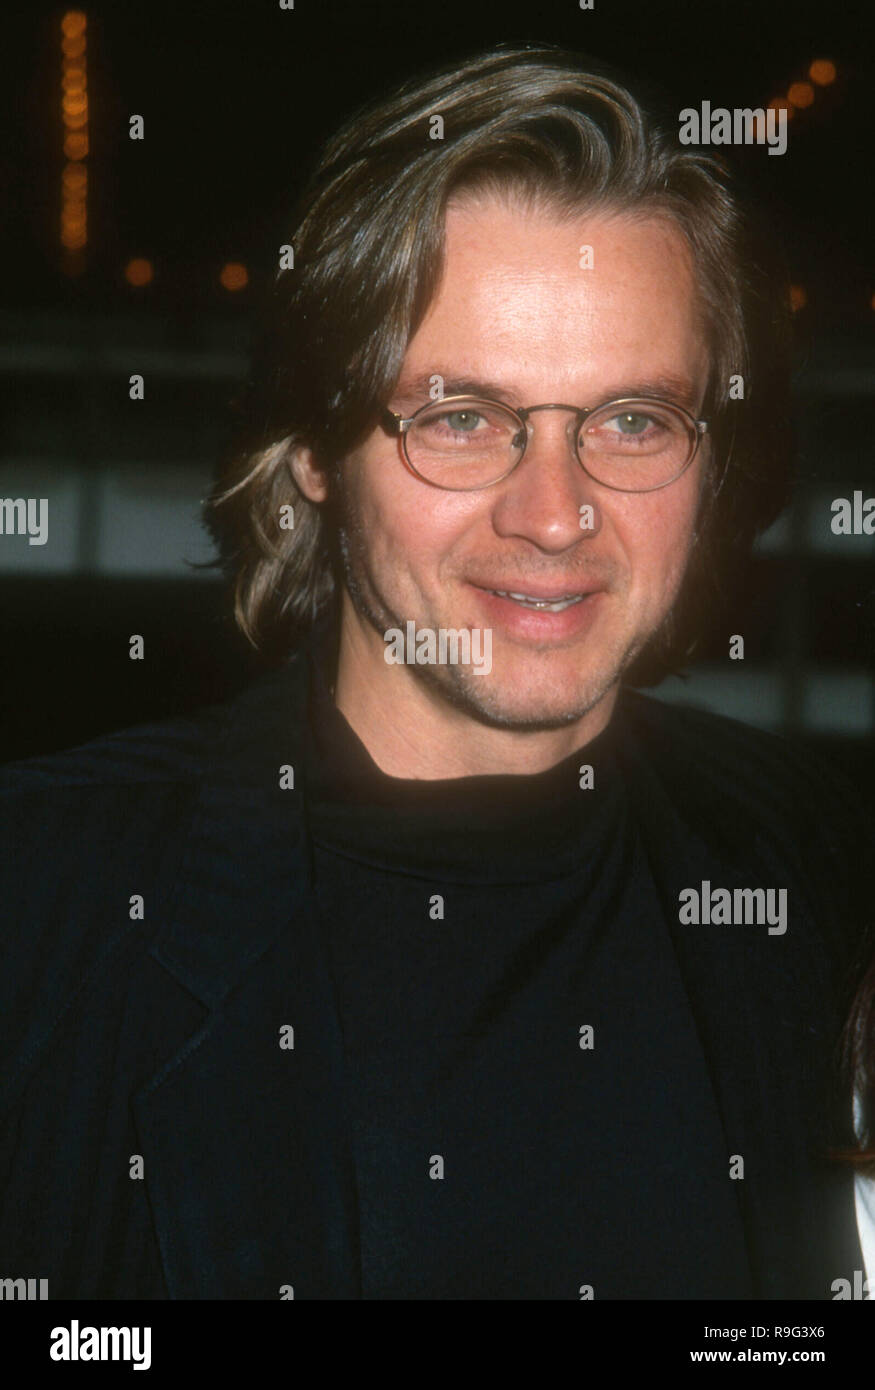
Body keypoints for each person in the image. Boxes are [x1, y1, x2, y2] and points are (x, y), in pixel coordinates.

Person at [0, 44, 869, 1300]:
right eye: (460, 417)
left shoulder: (821, 878)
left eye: (631, 419)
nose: (555, 513)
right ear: (312, 450)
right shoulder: (41, 914)